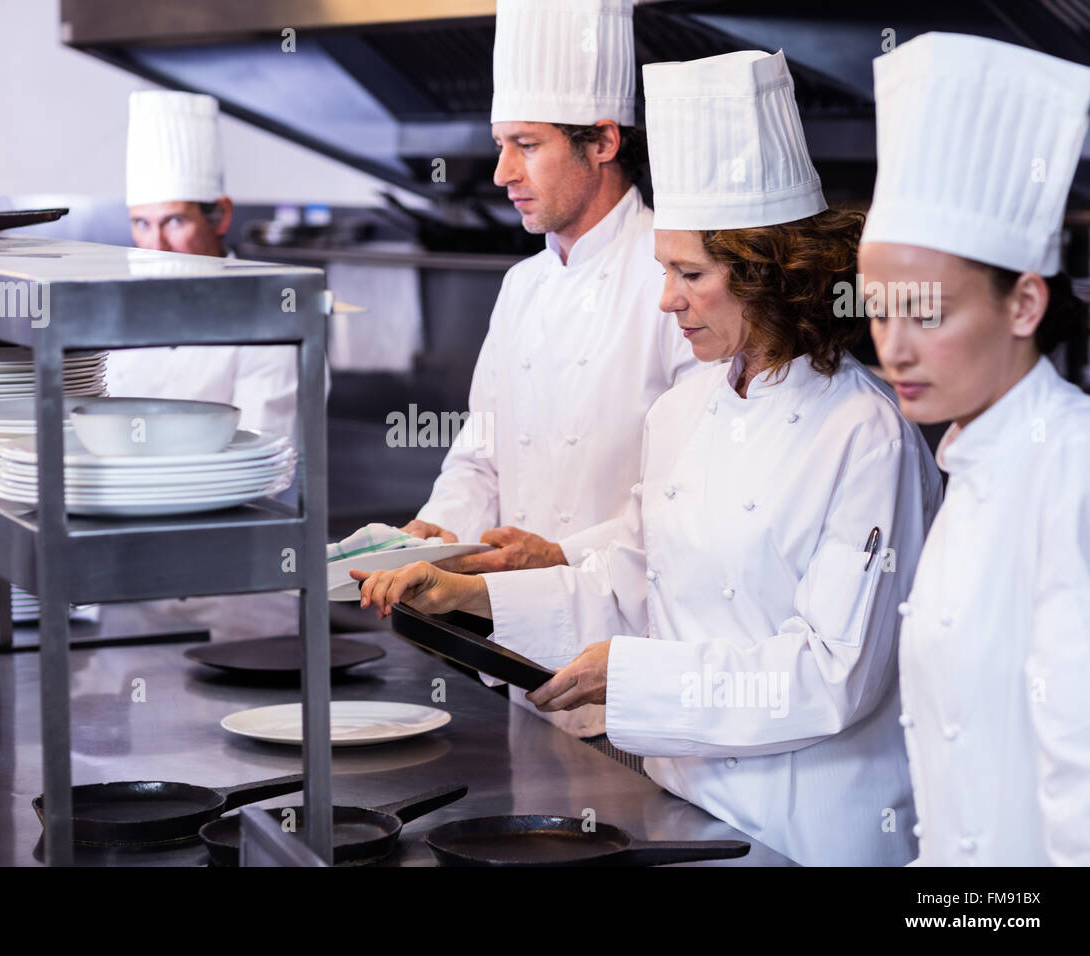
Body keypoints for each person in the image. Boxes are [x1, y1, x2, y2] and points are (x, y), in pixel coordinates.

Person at [356, 50, 944, 866]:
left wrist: (631, 681)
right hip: (687, 805)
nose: (665, 298)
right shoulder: (685, 410)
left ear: (768, 273)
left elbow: (832, 675)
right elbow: (631, 571)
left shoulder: (864, 434)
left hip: (808, 828)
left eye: (689, 273)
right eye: (664, 268)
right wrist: (473, 593)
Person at [401, 0, 698, 738]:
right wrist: (433, 534)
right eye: (503, 144)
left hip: (634, 657)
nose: (503, 173)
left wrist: (562, 552)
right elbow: (481, 453)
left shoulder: (681, 276)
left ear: (601, 141)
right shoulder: (523, 286)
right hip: (519, 653)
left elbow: (692, 497)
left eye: (526, 145)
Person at [859, 32, 1090, 865]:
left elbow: (1081, 780)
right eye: (880, 311)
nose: (895, 350)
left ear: (1025, 302)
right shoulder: (970, 457)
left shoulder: (1071, 467)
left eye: (928, 313)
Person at [104, 89, 299, 444]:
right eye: (142, 224)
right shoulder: (118, 305)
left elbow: (263, 450)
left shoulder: (271, 315)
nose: (156, 246)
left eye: (175, 221)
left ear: (221, 216)